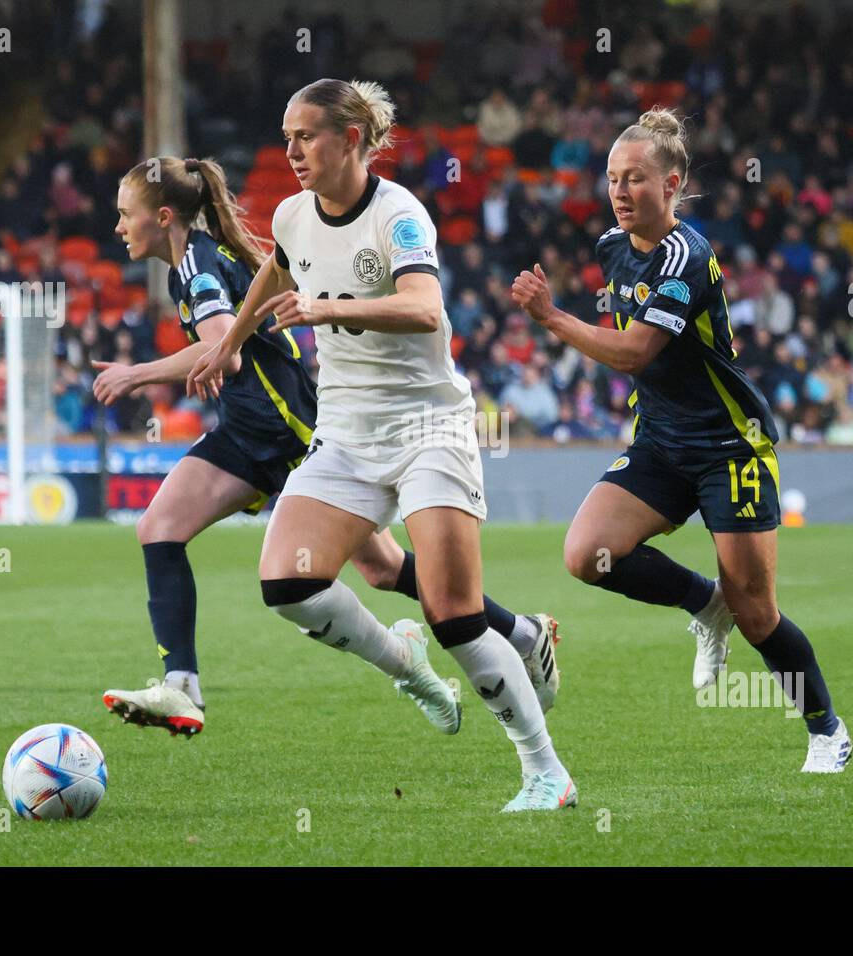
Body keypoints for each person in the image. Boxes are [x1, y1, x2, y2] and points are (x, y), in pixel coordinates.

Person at [187, 79, 575, 810]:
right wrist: (230, 342)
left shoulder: (399, 215)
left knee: (453, 610)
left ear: (353, 139)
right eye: (286, 134)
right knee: (287, 581)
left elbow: (427, 309)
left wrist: (326, 307)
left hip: (427, 426)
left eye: (306, 135)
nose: (291, 149)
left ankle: (544, 771)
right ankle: (412, 668)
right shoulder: (293, 214)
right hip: (346, 430)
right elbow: (277, 265)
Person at [97, 155, 559, 741]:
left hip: (286, 426)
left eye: (123, 214)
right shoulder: (191, 263)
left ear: (161, 216)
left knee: (384, 569)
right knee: (159, 529)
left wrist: (136, 374)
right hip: (245, 429)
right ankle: (182, 686)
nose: (117, 226)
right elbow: (241, 332)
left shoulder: (197, 264)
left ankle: (509, 638)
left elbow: (224, 350)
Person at [510, 107, 852, 773]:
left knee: (758, 615)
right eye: (611, 178)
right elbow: (636, 355)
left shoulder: (688, 256)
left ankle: (825, 729)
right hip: (662, 443)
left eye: (635, 178)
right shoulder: (612, 248)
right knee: (587, 554)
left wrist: (550, 317)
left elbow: (636, 351)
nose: (619, 190)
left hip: (730, 446)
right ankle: (704, 602)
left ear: (672, 184)